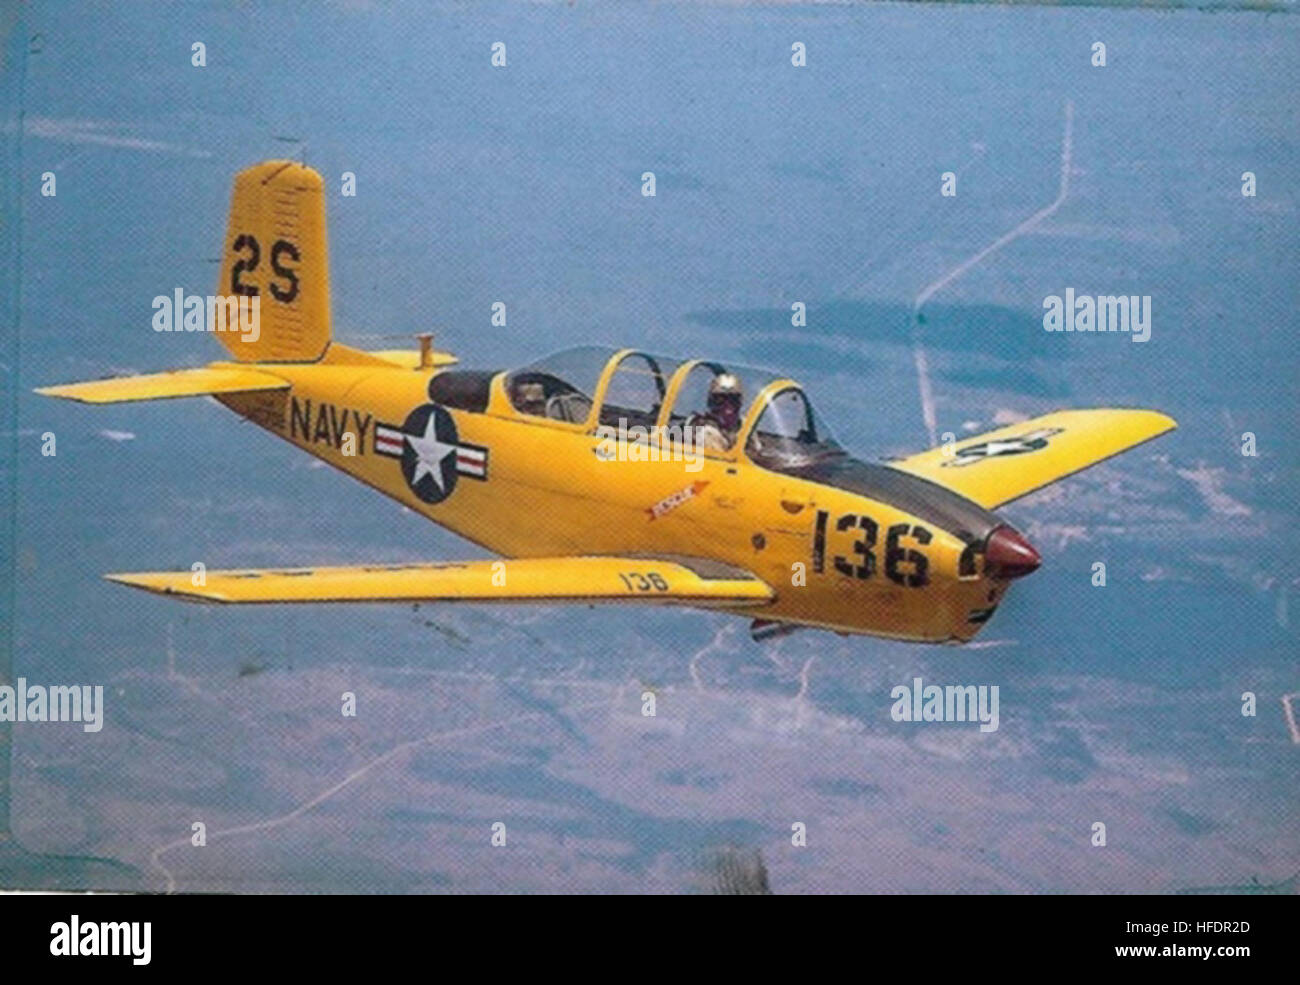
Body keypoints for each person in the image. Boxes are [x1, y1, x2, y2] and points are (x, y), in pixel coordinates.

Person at [687, 372, 743, 451]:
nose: (728, 405)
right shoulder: (708, 432)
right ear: (712, 402)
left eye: (733, 399)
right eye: (720, 400)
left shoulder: (744, 426)